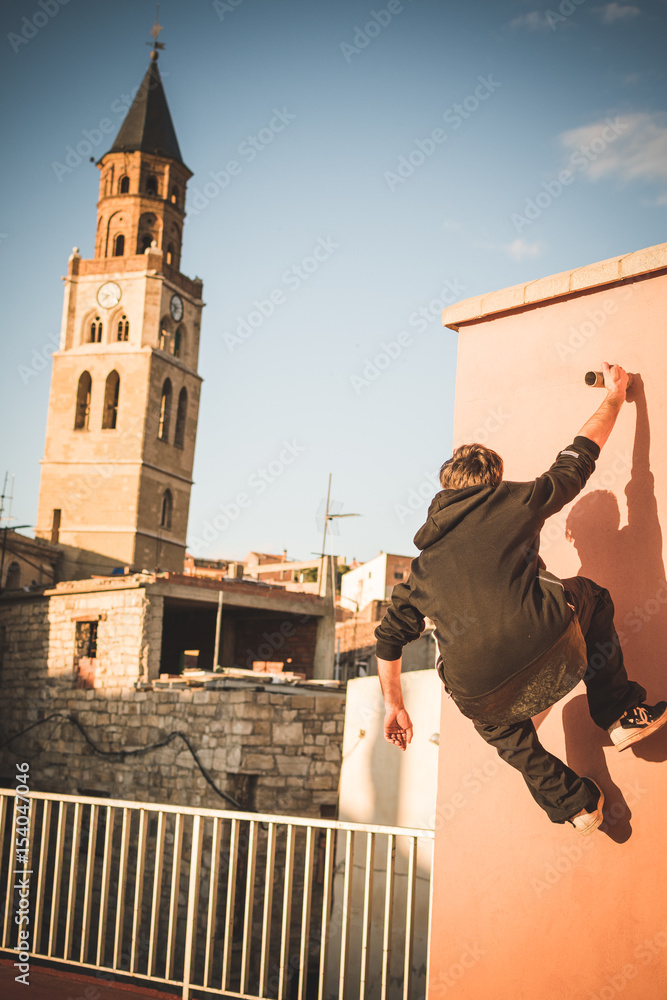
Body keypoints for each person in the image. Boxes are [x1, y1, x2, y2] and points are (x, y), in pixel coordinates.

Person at [375, 362, 667, 835]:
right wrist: (615, 396)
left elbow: (389, 640)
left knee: (498, 726)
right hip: (548, 641)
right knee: (592, 596)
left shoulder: (423, 568)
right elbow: (579, 457)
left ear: (447, 491)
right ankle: (620, 713)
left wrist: (394, 705)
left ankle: (575, 804)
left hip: (482, 692)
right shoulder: (512, 500)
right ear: (494, 480)